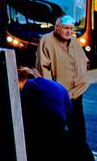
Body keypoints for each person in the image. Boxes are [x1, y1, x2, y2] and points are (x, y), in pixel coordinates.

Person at [36, 15, 90, 149]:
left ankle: (80, 152)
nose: (69, 31)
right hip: (58, 94)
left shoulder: (73, 40)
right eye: (66, 28)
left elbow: (84, 61)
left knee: (78, 126)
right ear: (57, 27)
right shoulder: (46, 40)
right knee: (57, 126)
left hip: (75, 93)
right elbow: (43, 68)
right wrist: (51, 92)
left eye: (71, 29)